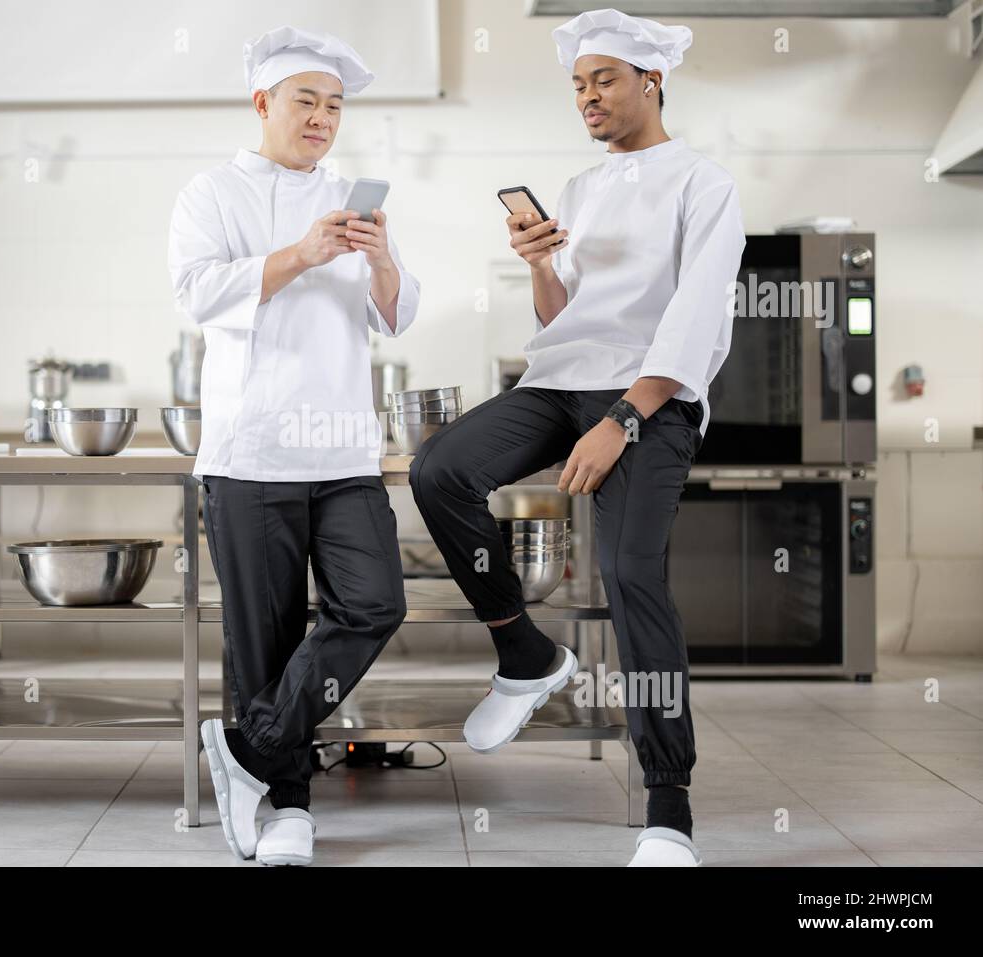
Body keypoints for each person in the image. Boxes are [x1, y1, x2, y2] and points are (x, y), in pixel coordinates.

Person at [408, 7, 745, 867]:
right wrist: (539, 265)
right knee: (441, 468)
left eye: (604, 79)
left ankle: (668, 806)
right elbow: (565, 322)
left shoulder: (704, 185)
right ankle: (525, 652)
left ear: (651, 80)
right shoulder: (583, 190)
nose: (587, 97)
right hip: (557, 382)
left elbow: (695, 317)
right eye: (578, 84)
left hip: (651, 398)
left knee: (632, 570)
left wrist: (625, 419)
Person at [167, 25, 420, 866]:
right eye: (306, 100)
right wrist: (301, 252)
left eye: (335, 104)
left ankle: (246, 749)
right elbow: (198, 291)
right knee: (262, 640)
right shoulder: (213, 192)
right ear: (263, 103)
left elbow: (395, 312)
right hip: (251, 452)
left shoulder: (355, 194)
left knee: (376, 601)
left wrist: (380, 259)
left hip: (344, 451)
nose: (322, 117)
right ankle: (287, 808)